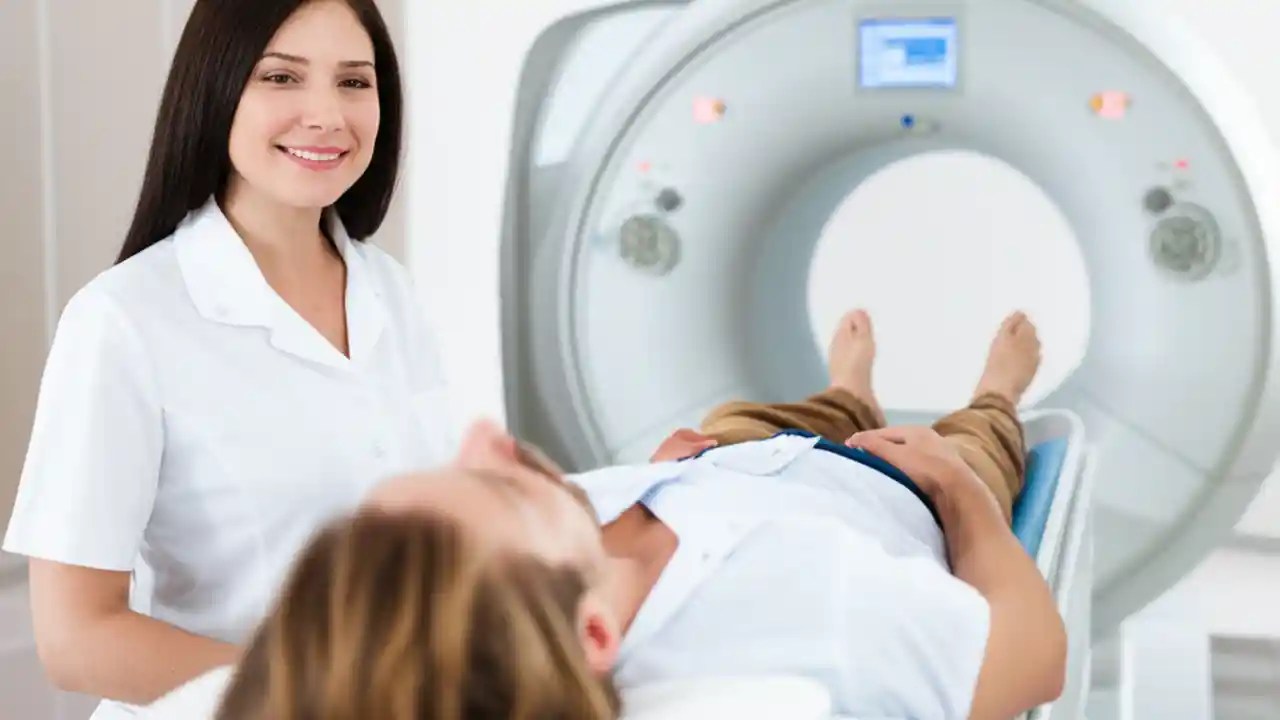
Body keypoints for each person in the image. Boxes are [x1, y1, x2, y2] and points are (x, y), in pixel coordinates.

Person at [2, 1, 453, 716]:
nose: (326, 114)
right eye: (281, 77)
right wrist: (329, 694)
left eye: (354, 82)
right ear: (215, 91)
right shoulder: (124, 319)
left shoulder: (390, 290)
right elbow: (77, 639)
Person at [364, 309, 1069, 719]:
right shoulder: (827, 633)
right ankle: (997, 392)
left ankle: (847, 391)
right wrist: (959, 493)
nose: (489, 436)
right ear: (593, 632)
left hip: (722, 457)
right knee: (982, 445)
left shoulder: (552, 571)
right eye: (501, 489)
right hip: (900, 489)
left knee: (735, 416)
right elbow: (1034, 659)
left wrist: (655, 480)